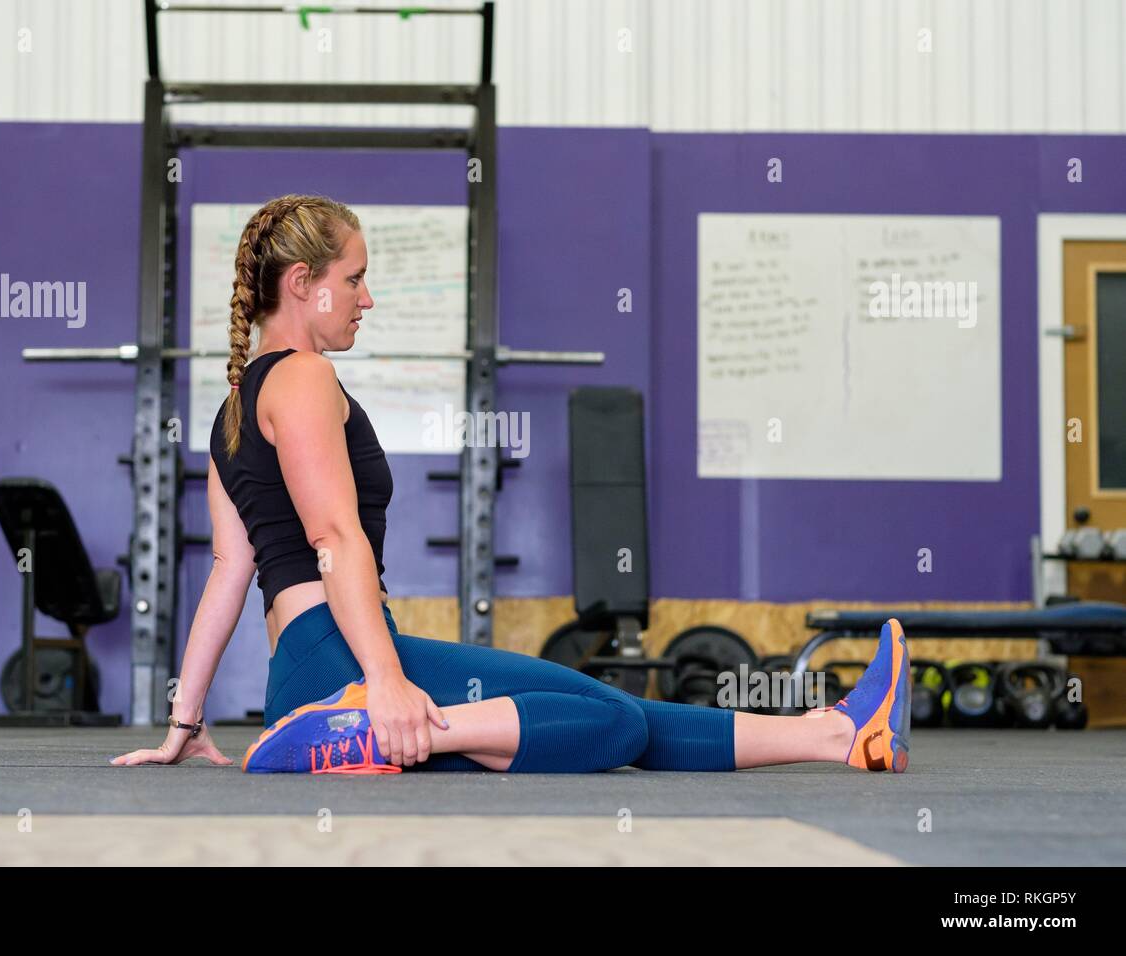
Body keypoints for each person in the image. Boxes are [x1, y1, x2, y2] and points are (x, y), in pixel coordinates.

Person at [112, 194, 910, 775]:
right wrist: (385, 682)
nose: (367, 298)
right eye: (353, 279)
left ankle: (835, 735)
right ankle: (371, 728)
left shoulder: (233, 406)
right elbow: (333, 538)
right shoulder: (306, 378)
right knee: (605, 718)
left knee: (599, 715)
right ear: (301, 284)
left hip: (302, 673)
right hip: (346, 660)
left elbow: (229, 570)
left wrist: (184, 719)